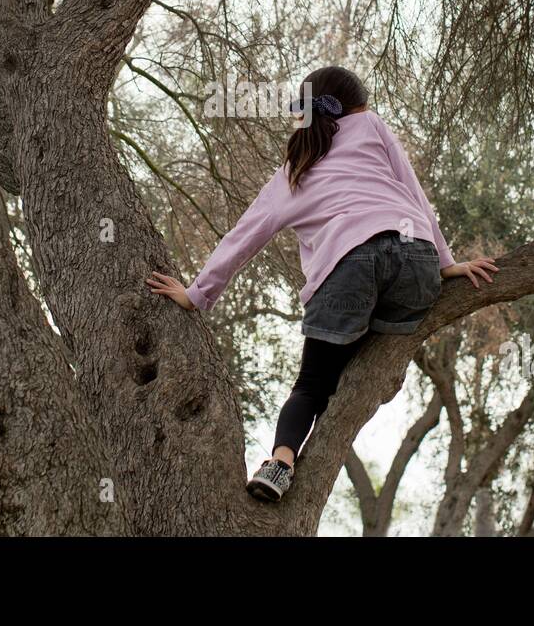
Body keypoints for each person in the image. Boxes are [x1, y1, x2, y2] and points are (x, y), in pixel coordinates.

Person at [146, 66, 498, 502]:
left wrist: (198, 294)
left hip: (348, 266)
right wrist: (446, 262)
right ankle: (366, 366)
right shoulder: (371, 125)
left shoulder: (296, 169)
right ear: (355, 107)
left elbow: (246, 233)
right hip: (415, 260)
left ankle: (280, 464)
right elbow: (413, 189)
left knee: (312, 384)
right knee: (363, 348)